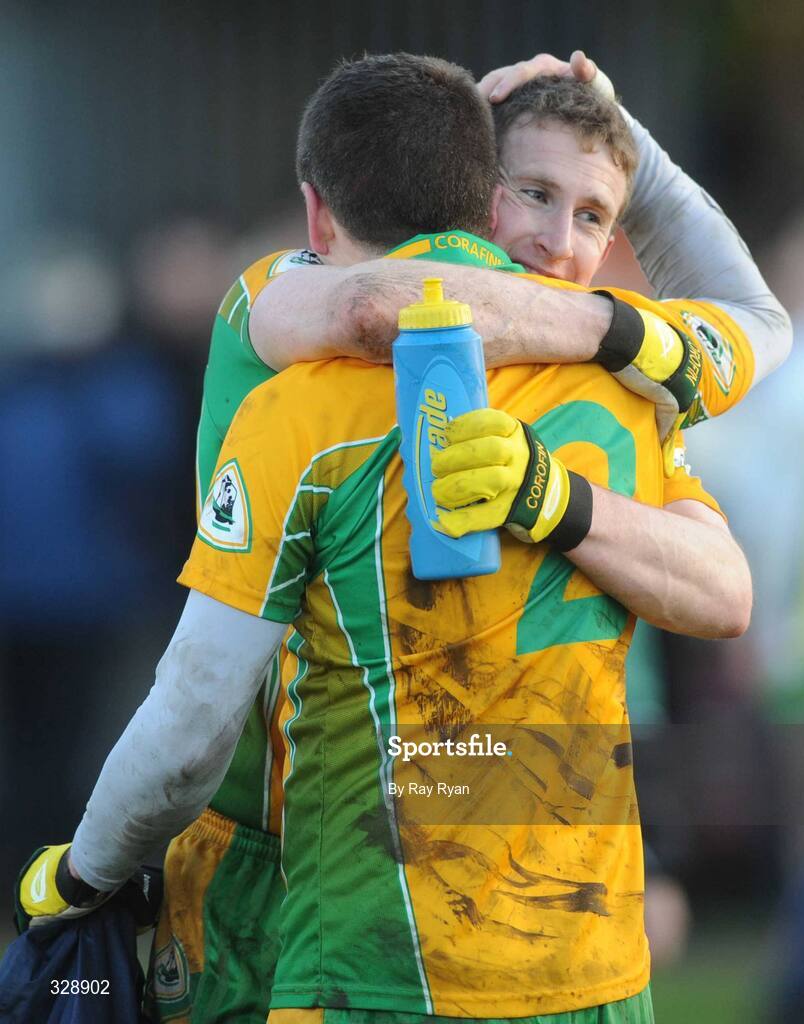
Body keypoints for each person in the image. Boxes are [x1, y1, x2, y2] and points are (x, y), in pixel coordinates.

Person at [14, 53, 751, 1024]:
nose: (559, 239)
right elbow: (750, 335)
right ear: (477, 198)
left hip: (365, 943)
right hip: (577, 963)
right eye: (534, 194)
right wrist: (619, 328)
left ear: (319, 211)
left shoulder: (300, 399)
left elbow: (191, 720)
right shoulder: (634, 375)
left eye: (591, 215)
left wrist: (81, 874)